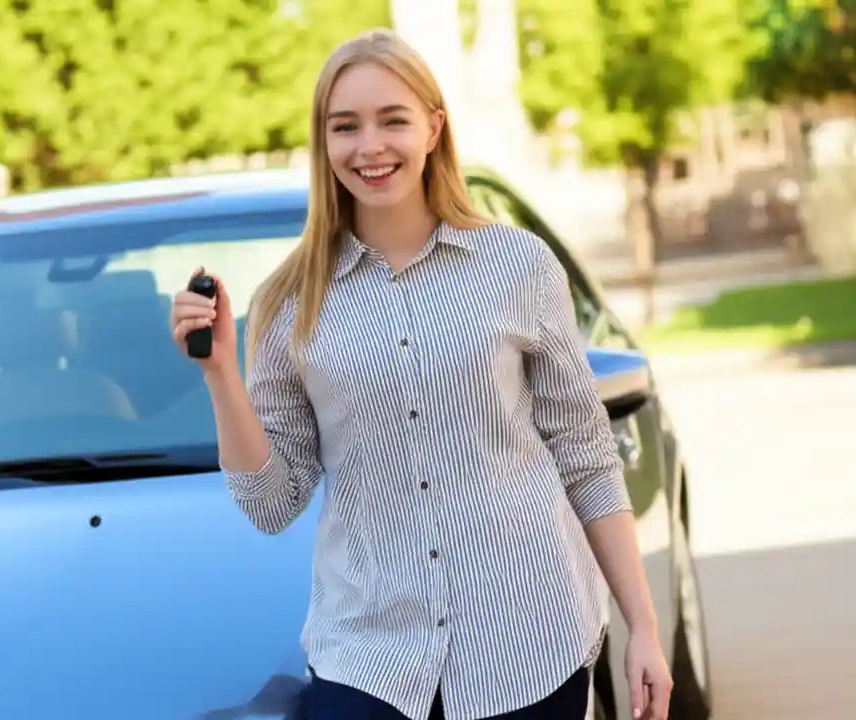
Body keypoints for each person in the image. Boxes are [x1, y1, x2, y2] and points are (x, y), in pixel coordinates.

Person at [169, 28, 673, 720]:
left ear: (434, 128)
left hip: (529, 647)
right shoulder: (288, 304)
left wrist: (642, 626)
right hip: (371, 661)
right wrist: (222, 375)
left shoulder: (517, 267)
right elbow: (271, 503)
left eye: (393, 120)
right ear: (323, 141)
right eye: (345, 126)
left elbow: (586, 456)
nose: (369, 147)